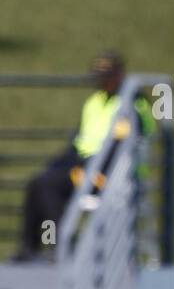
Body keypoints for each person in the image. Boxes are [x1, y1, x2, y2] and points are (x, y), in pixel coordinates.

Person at [15, 51, 155, 261]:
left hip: (111, 174)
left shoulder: (133, 104)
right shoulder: (94, 102)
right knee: (39, 183)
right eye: (99, 76)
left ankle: (58, 245)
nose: (102, 81)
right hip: (85, 167)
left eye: (106, 76)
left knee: (49, 187)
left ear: (120, 75)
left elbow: (119, 149)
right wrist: (56, 166)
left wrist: (88, 171)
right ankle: (32, 248)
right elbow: (79, 143)